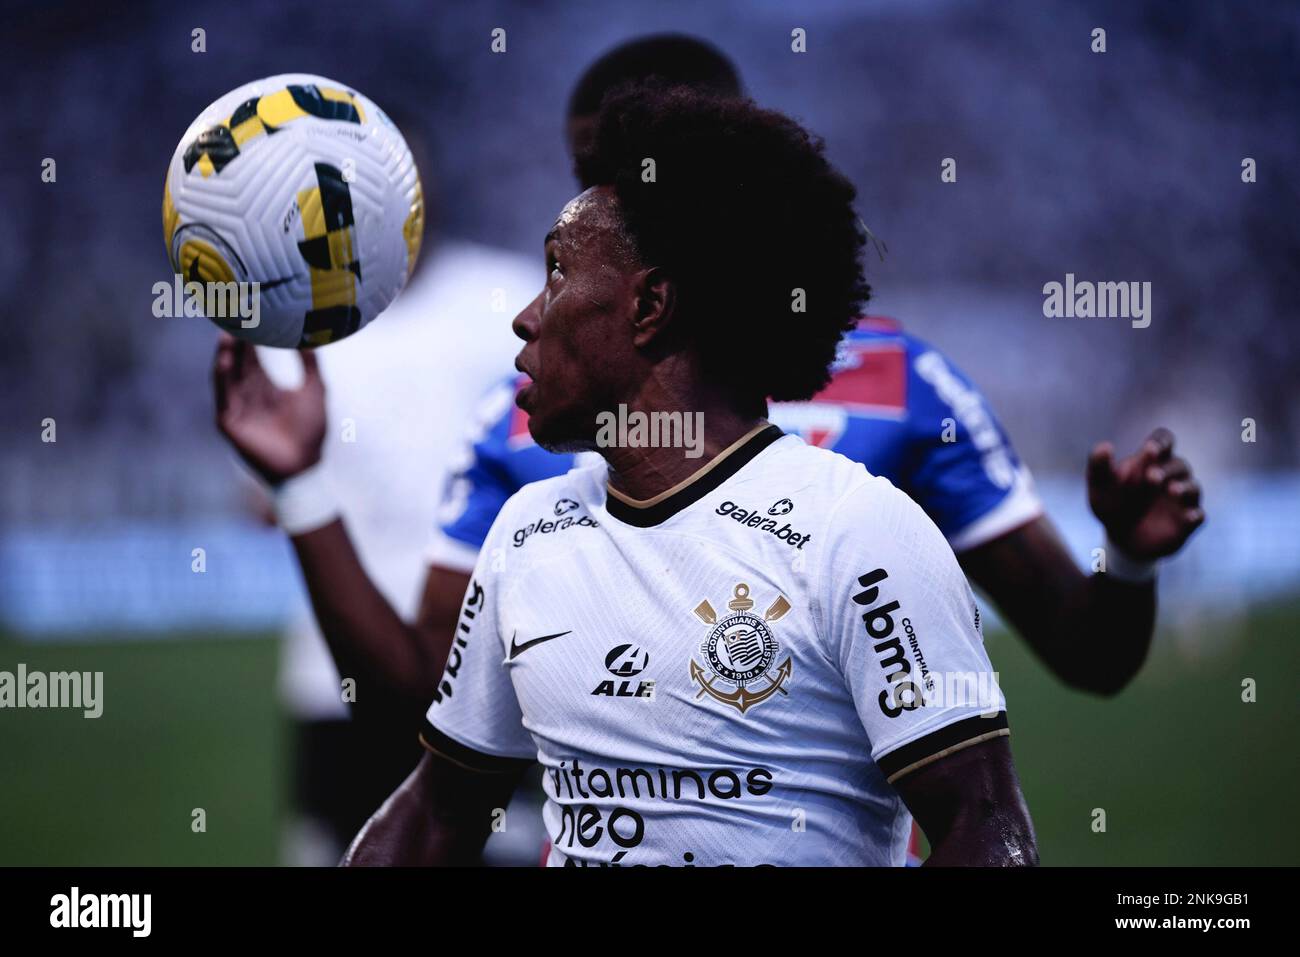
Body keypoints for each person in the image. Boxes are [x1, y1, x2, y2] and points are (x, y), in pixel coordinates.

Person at [329, 84, 1039, 866]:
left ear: (649, 306)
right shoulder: (528, 530)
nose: (526, 315)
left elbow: (989, 835)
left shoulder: (857, 532)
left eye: (557, 272)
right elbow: (438, 811)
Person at [246, 114, 541, 863]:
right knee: (346, 849)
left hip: (496, 666)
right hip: (336, 668)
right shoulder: (291, 319)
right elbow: (262, 495)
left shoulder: (511, 301)